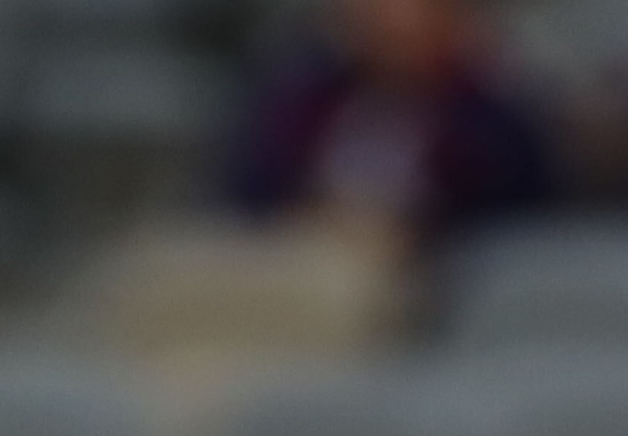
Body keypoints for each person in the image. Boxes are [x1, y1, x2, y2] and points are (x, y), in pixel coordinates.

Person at [217, 0, 557, 256]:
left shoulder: (494, 121)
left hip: (439, 280)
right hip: (307, 262)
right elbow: (249, 196)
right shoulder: (302, 104)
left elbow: (517, 219)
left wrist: (415, 230)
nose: (391, 25)